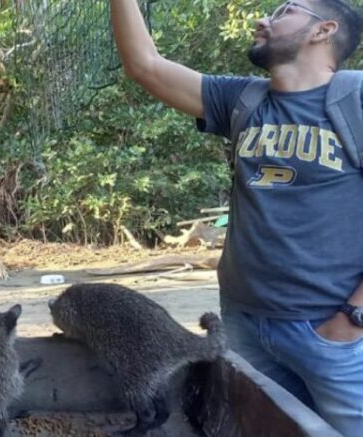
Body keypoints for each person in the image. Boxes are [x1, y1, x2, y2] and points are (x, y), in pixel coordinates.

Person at [110, 1, 363, 434]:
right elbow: (145, 66)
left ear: (324, 30)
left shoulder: (356, 98)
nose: (262, 18)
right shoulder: (243, 98)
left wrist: (353, 318)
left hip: (333, 332)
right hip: (245, 324)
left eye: (284, 10)